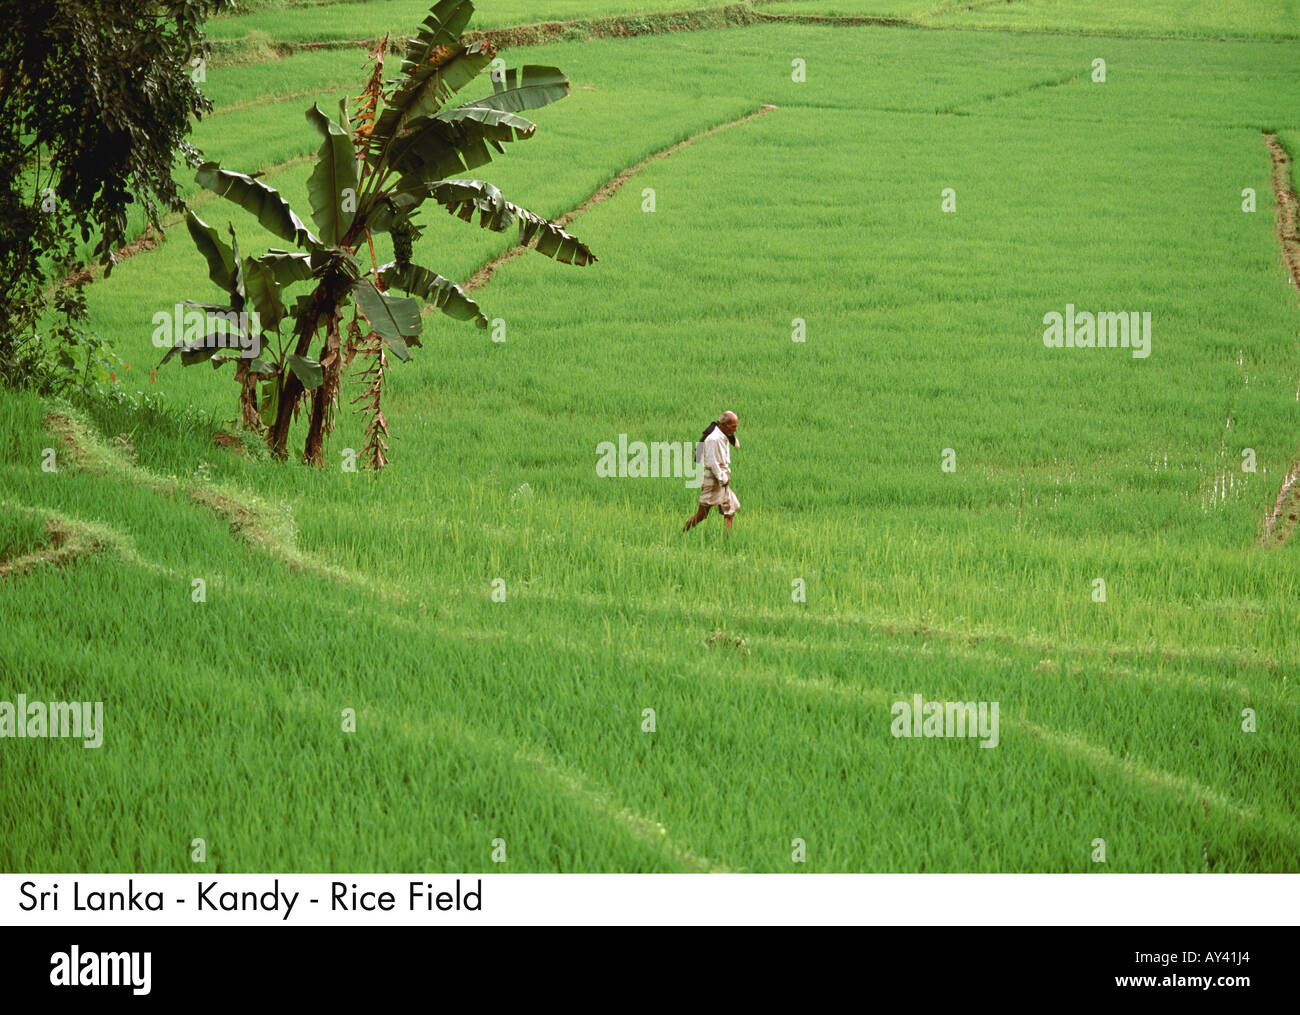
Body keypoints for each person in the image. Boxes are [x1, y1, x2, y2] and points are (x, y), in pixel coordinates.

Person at [682, 411, 740, 532]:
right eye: (733, 426)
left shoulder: (723, 436)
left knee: (730, 511)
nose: (735, 429)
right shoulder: (713, 439)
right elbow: (712, 463)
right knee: (702, 514)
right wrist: (723, 478)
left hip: (721, 479)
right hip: (714, 480)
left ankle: (728, 542)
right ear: (723, 425)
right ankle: (680, 534)